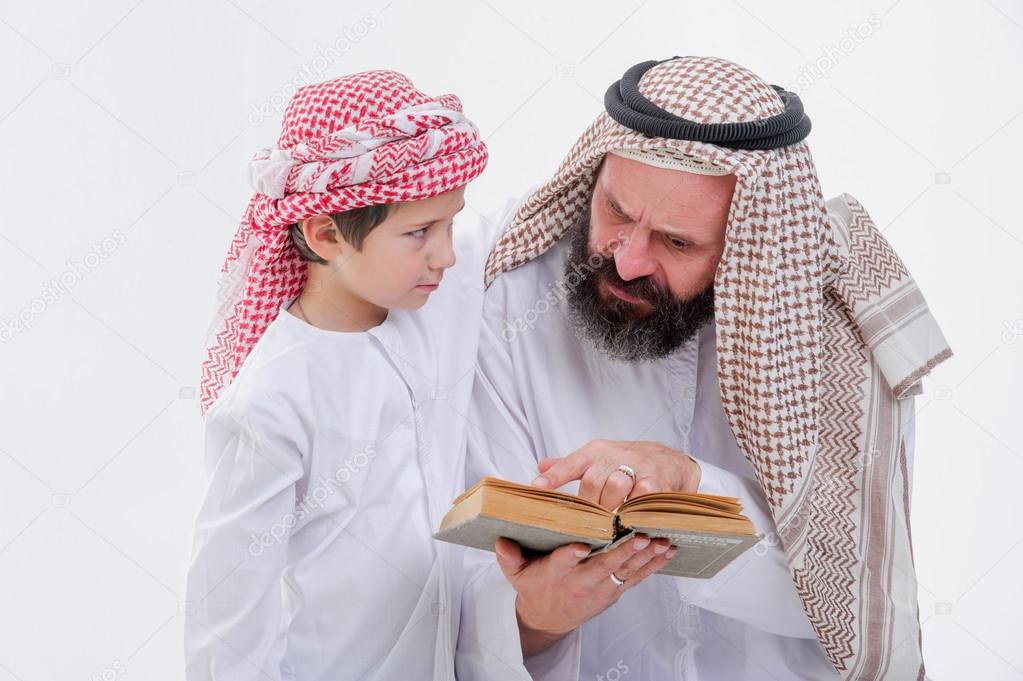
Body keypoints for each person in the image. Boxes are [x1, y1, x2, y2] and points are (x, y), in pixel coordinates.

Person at [460, 56, 951, 680]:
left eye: (678, 242)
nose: (629, 260)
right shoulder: (517, 293)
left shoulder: (836, 325)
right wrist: (537, 620)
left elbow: (857, 599)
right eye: (615, 212)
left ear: (750, 246)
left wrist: (692, 492)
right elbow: (470, 566)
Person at [185, 70, 493, 680]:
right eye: (420, 233)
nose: (447, 253)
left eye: (450, 223)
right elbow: (228, 613)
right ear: (326, 234)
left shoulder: (430, 301)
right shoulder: (272, 397)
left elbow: (520, 224)